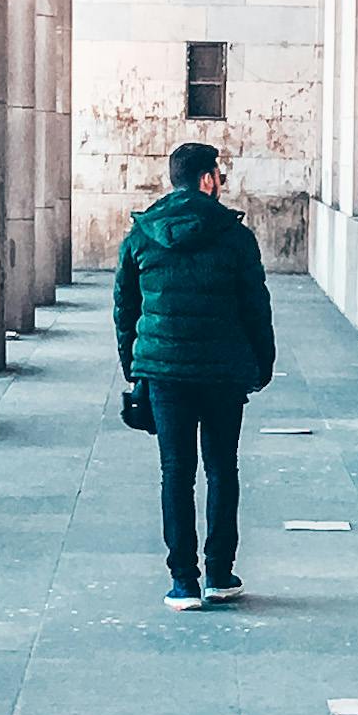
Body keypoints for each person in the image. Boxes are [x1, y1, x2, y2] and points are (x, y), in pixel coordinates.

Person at [113, 140, 276, 607]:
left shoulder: (142, 234)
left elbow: (126, 308)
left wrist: (136, 367)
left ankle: (183, 580)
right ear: (208, 179)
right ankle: (219, 574)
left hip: (164, 375)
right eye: (219, 175)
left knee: (175, 473)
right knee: (223, 468)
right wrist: (261, 364)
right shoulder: (234, 235)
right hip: (223, 373)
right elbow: (255, 307)